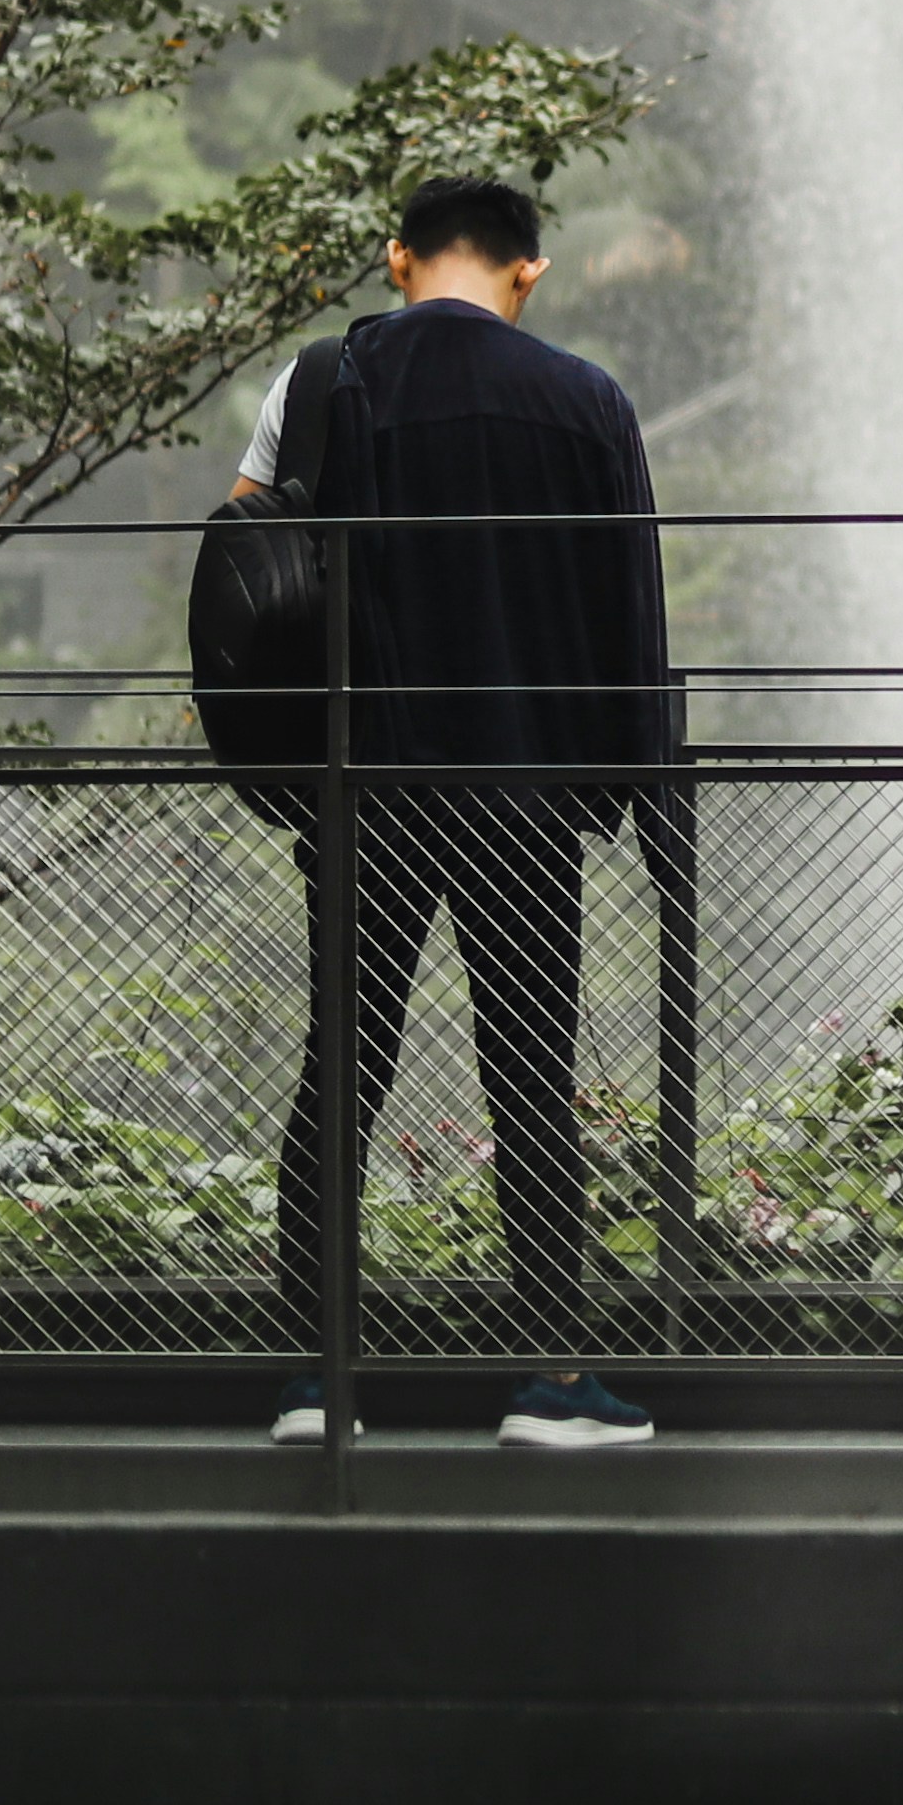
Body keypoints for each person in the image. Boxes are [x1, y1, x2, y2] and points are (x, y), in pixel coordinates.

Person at [238, 176, 675, 1452]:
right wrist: (631, 791)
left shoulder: (317, 384)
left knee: (342, 1071)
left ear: (398, 259)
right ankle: (548, 1378)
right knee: (531, 1075)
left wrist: (278, 759)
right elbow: (629, 613)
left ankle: (318, 1382)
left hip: (361, 782)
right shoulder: (589, 402)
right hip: (523, 788)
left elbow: (245, 560)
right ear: (529, 272)